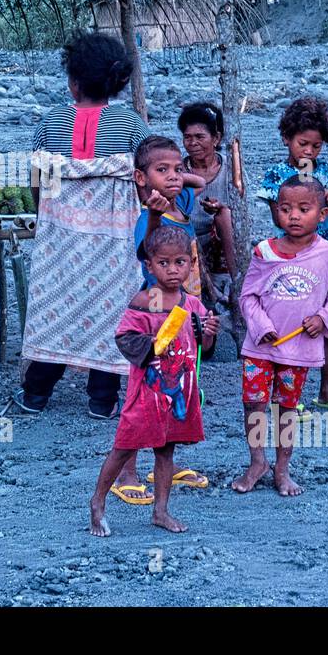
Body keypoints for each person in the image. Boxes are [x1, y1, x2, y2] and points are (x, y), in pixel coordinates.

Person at [16, 32, 148, 420]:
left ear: (73, 82)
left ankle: (35, 393)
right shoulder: (130, 125)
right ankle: (102, 399)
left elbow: (37, 183)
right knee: (109, 308)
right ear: (117, 82)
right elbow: (146, 172)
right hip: (113, 241)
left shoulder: (51, 122)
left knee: (56, 307)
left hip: (61, 239)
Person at [89, 226, 217, 537]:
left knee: (165, 451)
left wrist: (208, 333)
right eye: (164, 263)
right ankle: (98, 502)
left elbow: (203, 348)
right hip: (148, 391)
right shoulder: (145, 301)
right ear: (150, 266)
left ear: (191, 264)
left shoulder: (192, 304)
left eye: (181, 263)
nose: (173, 270)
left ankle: (160, 511)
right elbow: (125, 338)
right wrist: (157, 342)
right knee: (123, 447)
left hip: (177, 393)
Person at [233, 175, 328, 496]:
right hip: (260, 349)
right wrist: (261, 326)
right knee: (254, 405)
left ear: (322, 214)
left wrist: (323, 319)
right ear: (276, 212)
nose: (294, 216)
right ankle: (257, 462)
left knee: (287, 409)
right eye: (285, 209)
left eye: (303, 208)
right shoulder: (264, 252)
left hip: (297, 351)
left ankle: (282, 469)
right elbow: (248, 297)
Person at [255, 96, 328, 415]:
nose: (309, 152)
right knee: (293, 320)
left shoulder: (325, 172)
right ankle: (286, 395)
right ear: (287, 138)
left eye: (316, 146)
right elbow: (278, 219)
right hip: (291, 259)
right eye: (303, 144)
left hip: (325, 257)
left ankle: (327, 389)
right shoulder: (276, 176)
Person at [177, 102, 237, 316]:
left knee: (225, 214)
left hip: (221, 242)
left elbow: (242, 211)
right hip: (186, 241)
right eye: (187, 137)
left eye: (199, 137)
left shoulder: (231, 169)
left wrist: (220, 209)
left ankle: (237, 283)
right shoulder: (178, 171)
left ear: (216, 138)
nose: (192, 143)